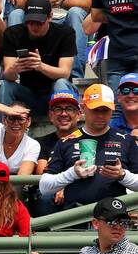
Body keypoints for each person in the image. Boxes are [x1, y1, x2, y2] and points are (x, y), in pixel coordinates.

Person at [37, 86, 138, 214]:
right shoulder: (66, 141)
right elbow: (44, 187)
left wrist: (122, 175)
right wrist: (72, 173)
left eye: (105, 110)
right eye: (95, 110)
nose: (100, 115)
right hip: (74, 218)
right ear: (83, 108)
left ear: (112, 110)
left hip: (113, 219)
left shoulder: (126, 140)